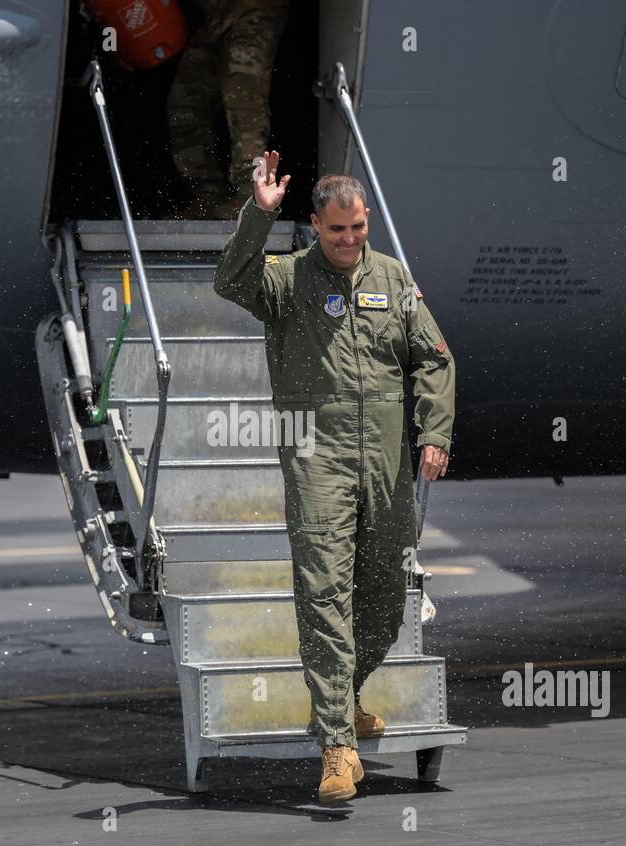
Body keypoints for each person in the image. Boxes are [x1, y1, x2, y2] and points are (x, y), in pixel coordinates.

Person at [214, 151, 456, 804]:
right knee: (325, 592)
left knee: (384, 593)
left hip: (385, 461)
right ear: (315, 225)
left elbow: (433, 357)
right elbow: (231, 281)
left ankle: (343, 700)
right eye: (335, 230)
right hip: (316, 459)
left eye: (357, 230)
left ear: (366, 222)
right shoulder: (288, 281)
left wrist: (434, 431)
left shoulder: (393, 279)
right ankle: (337, 749)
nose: (348, 241)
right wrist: (257, 216)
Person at [167, 0, 290, 218]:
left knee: (243, 96)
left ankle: (251, 194)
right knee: (186, 100)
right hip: (212, 15)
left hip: (253, 7)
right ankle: (207, 196)